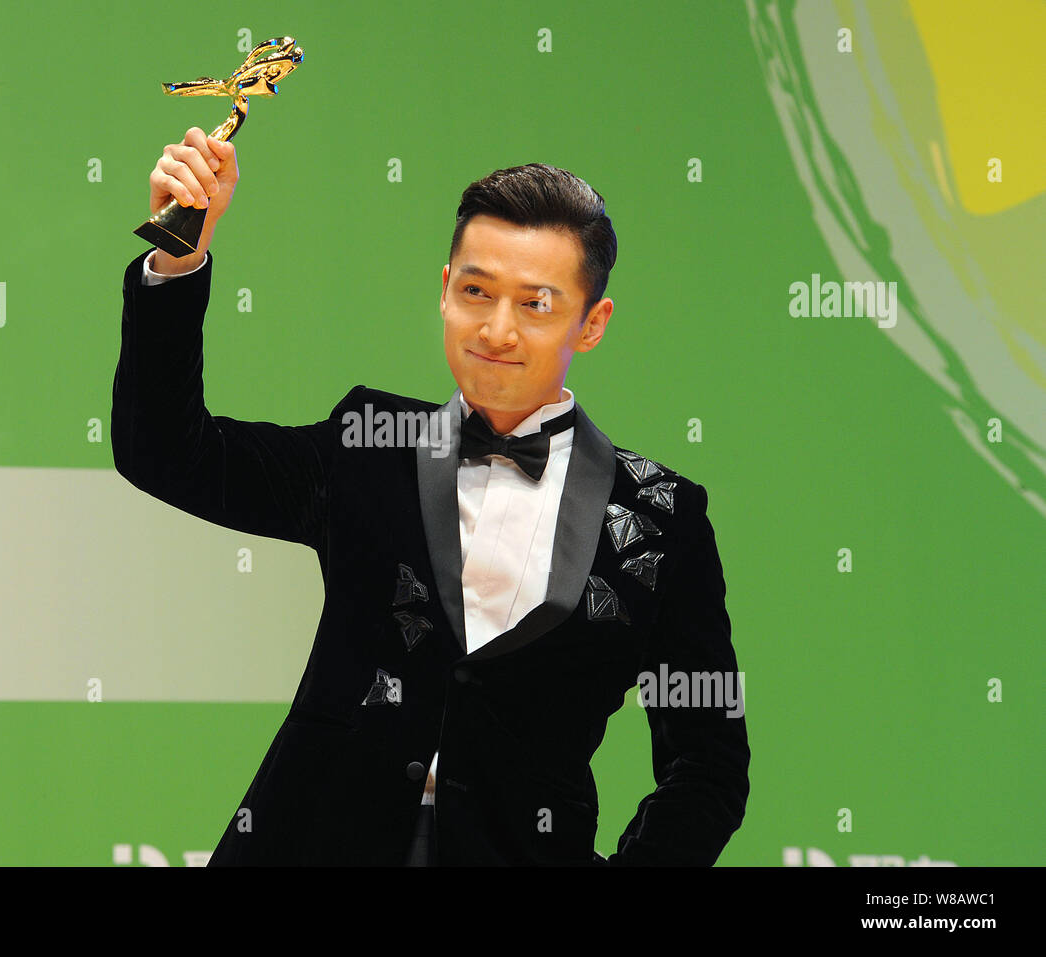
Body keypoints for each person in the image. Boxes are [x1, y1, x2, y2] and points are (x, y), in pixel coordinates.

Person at [111, 127, 750, 865]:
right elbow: (167, 453)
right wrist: (178, 251)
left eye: (537, 304)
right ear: (444, 291)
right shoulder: (369, 443)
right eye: (476, 292)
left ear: (592, 322)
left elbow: (707, 766)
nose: (498, 329)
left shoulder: (663, 519)